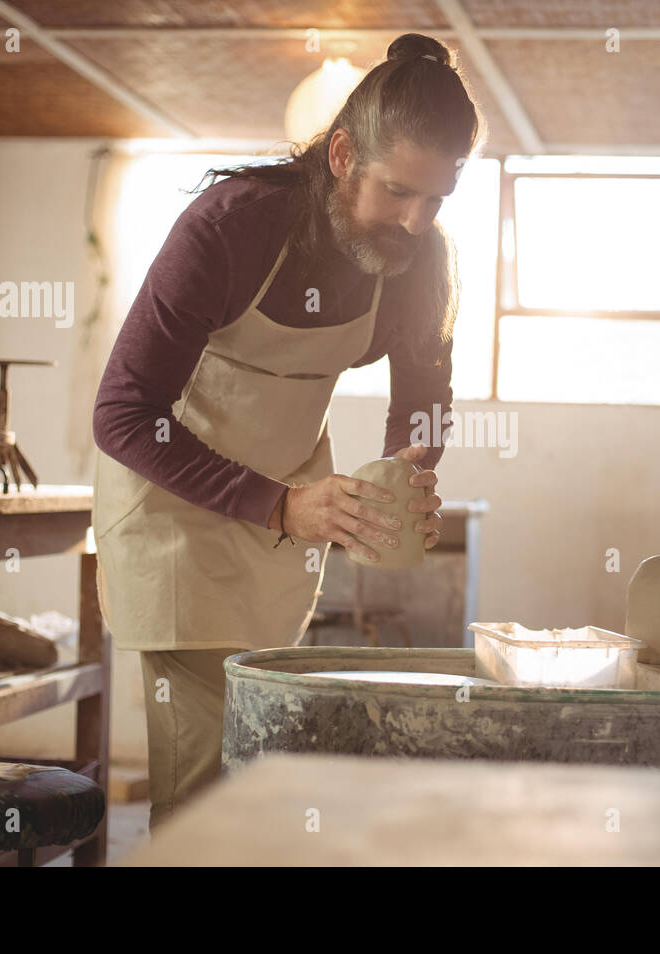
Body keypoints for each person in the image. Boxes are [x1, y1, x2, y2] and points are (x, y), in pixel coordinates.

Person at [91, 32, 486, 829]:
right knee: (202, 782)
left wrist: (406, 475)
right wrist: (282, 506)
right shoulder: (233, 226)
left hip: (283, 521)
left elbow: (425, 400)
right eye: (399, 192)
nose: (416, 222)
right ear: (342, 155)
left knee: (264, 768)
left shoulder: (422, 260)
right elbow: (123, 412)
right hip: (178, 515)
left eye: (437, 198)